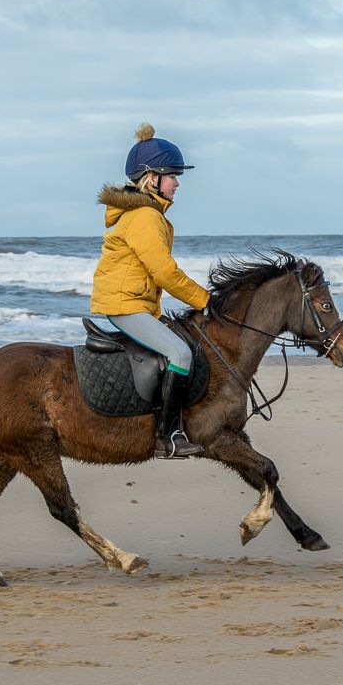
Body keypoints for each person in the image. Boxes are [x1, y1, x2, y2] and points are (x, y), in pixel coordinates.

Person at [90, 123, 210, 458]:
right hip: (124, 305)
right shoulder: (145, 216)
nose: (177, 182)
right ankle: (167, 437)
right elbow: (164, 272)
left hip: (134, 303)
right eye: (173, 175)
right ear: (151, 177)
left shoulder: (145, 213)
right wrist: (205, 300)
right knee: (181, 354)